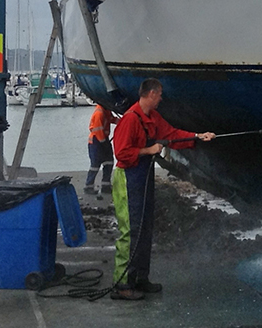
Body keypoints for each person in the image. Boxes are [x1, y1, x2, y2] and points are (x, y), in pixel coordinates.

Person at [109, 78, 214, 300]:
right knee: (130, 230)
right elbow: (122, 154)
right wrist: (148, 150)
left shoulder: (152, 117)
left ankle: (140, 278)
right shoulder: (130, 119)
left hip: (142, 177)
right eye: (160, 94)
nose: (162, 98)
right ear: (151, 94)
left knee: (145, 227)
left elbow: (171, 134)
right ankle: (122, 285)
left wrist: (197, 136)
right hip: (128, 178)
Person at [84, 104, 119, 196]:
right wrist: (104, 143)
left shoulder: (105, 110)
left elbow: (111, 119)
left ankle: (105, 185)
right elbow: (98, 130)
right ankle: (88, 186)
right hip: (96, 141)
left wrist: (122, 121)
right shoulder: (99, 113)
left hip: (103, 139)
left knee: (109, 162)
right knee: (95, 164)